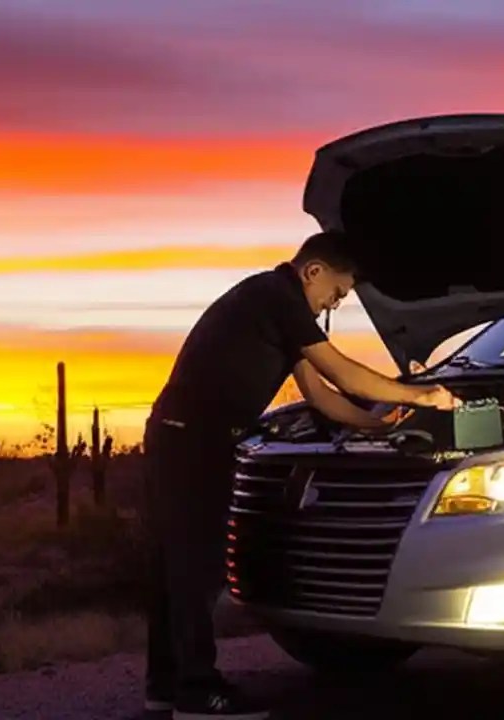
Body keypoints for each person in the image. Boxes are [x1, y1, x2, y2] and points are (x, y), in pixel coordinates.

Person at [141, 230, 459, 719]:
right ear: (313, 272)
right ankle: (198, 690)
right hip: (194, 439)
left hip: (184, 435)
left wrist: (377, 424)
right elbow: (343, 374)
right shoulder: (277, 296)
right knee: (195, 566)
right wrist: (419, 396)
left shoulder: (275, 306)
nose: (333, 304)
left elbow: (321, 396)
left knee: (176, 564)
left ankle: (166, 685)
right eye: (336, 293)